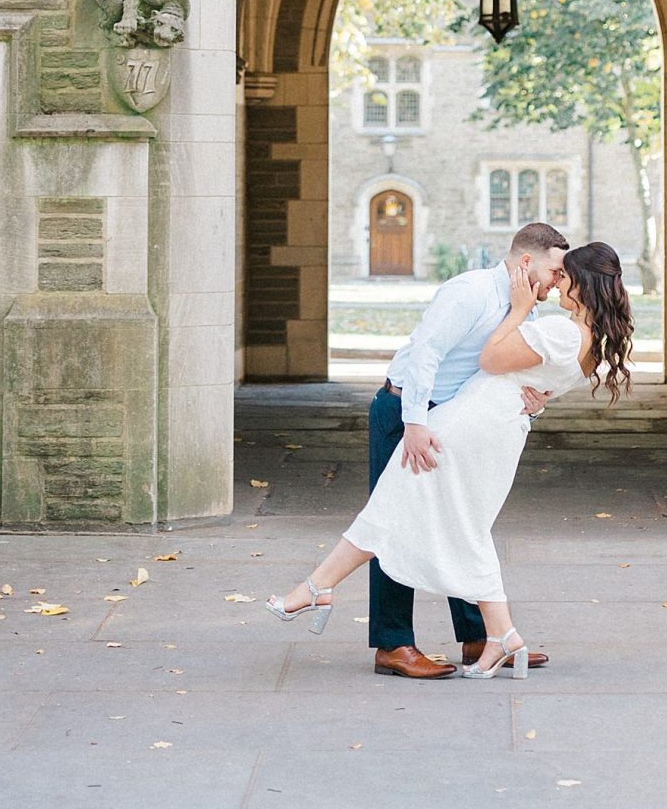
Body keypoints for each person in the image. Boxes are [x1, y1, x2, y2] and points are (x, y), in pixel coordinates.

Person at [266, 240, 634, 680]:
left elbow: (495, 362)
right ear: (526, 262)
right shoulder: (473, 293)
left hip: (463, 428)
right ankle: (441, 637)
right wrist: (415, 421)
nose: (557, 284)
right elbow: (428, 352)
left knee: (417, 517)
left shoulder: (545, 321)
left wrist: (521, 328)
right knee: (438, 521)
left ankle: (325, 592)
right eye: (555, 272)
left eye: (564, 276)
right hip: (420, 414)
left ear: (582, 286)